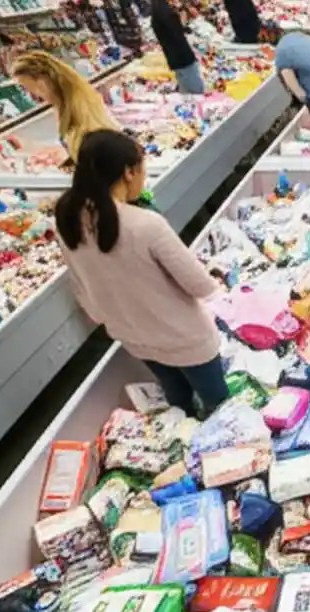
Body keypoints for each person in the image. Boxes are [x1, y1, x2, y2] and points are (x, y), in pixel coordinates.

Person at [53, 129, 228, 416]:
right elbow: (198, 284)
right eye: (142, 169)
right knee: (220, 406)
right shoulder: (145, 225)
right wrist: (217, 283)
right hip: (185, 337)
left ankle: (185, 436)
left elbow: (79, 283)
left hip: (134, 335)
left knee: (177, 404)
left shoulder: (67, 218)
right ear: (128, 172)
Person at [12, 52, 119, 166]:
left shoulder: (77, 105)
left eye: (27, 87)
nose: (31, 95)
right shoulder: (65, 102)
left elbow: (91, 152)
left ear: (41, 81)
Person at [151, 0, 205, 94]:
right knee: (196, 91)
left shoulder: (158, 8)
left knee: (186, 91)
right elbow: (176, 32)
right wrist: (182, 15)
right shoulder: (164, 10)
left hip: (175, 58)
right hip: (182, 57)